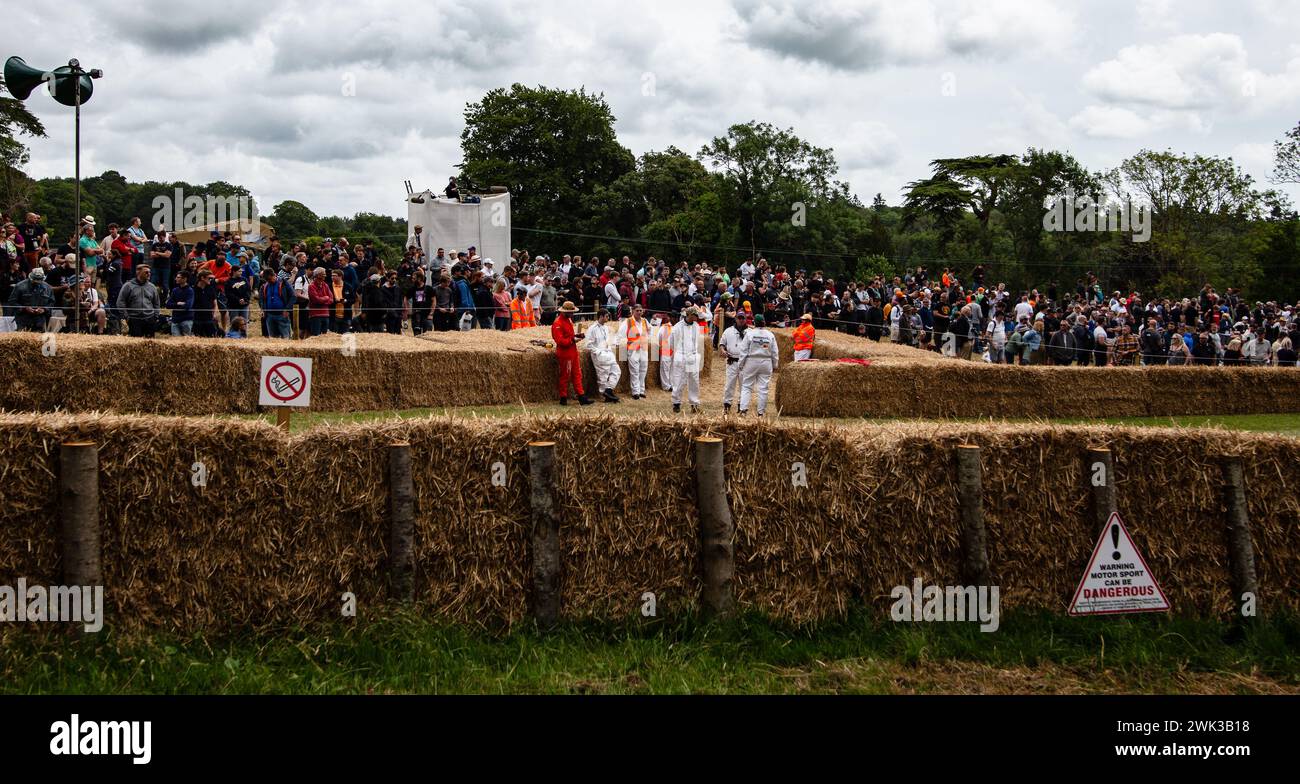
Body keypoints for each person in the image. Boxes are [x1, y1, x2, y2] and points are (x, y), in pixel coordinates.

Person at [737, 314, 778, 417]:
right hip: (766, 361)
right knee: (763, 388)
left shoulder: (750, 334)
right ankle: (761, 413)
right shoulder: (770, 335)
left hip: (752, 360)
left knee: (746, 386)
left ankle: (743, 410)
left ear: (754, 322)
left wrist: (740, 364)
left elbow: (743, 350)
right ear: (764, 322)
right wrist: (775, 364)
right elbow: (774, 351)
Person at [551, 301, 592, 405]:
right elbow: (560, 341)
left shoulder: (568, 320)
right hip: (565, 353)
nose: (573, 314)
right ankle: (563, 398)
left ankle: (581, 396)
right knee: (565, 375)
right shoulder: (557, 323)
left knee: (577, 374)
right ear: (565, 312)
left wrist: (577, 336)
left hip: (572, 351)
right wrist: (573, 340)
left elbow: (569, 336)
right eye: (571, 312)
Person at [669, 306, 703, 413]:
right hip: (681, 355)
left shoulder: (696, 326)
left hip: (692, 356)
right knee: (679, 380)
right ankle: (676, 403)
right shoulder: (677, 327)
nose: (697, 317)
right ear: (689, 315)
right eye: (695, 315)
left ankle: (694, 404)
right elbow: (671, 343)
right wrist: (679, 353)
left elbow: (697, 342)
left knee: (694, 381)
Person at [117, 263, 161, 337]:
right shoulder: (128, 286)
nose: (149, 274)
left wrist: (155, 316)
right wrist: (126, 316)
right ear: (138, 272)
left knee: (150, 344)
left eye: (150, 272)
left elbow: (156, 303)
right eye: (146, 272)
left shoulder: (152, 287)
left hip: (149, 319)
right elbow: (120, 302)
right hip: (134, 319)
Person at [617, 303, 651, 399]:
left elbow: (650, 330)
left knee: (643, 370)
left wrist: (648, 338)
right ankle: (635, 392)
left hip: (643, 349)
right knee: (634, 371)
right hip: (633, 350)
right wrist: (623, 345)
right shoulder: (628, 322)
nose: (639, 312)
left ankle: (641, 390)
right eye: (637, 310)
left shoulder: (645, 321)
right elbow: (620, 335)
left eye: (641, 310)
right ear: (633, 311)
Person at [587, 308, 621, 402]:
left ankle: (608, 390)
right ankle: (605, 395)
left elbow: (607, 341)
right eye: (606, 316)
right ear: (601, 316)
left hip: (608, 353)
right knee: (603, 375)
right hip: (599, 355)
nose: (608, 318)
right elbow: (589, 344)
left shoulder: (606, 328)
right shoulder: (592, 329)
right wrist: (599, 352)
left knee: (617, 371)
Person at [7, 268, 55, 332]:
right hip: (23, 320)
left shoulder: (48, 288)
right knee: (22, 339)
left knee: (39, 340)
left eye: (39, 280)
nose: (37, 282)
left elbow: (52, 302)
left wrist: (44, 309)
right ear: (30, 277)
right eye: (35, 280)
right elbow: (12, 301)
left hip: (40, 321)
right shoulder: (20, 286)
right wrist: (24, 308)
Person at [719, 311, 748, 413]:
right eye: (739, 318)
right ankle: (727, 406)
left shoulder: (749, 332)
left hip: (744, 363)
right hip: (731, 361)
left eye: (743, 318)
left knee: (744, 385)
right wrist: (723, 351)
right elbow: (722, 344)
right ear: (735, 319)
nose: (741, 320)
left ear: (745, 319)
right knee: (729, 384)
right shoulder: (728, 331)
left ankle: (742, 407)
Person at [260, 268, 293, 339]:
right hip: (269, 316)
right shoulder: (264, 286)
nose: (269, 281)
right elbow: (262, 299)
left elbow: (293, 296)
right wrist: (263, 309)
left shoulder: (284, 283)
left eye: (270, 279)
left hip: (282, 315)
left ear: (274, 275)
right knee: (273, 339)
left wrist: (287, 309)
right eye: (267, 280)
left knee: (286, 338)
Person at [307, 267, 333, 337]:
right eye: (323, 274)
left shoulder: (326, 285)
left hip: (326, 315)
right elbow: (316, 300)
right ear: (318, 275)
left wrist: (323, 300)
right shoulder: (311, 286)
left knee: (324, 337)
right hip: (315, 315)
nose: (325, 275)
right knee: (316, 337)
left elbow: (331, 299)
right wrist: (326, 298)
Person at [167, 271, 195, 336]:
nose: (176, 279)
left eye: (178, 277)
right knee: (176, 341)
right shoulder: (175, 290)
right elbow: (168, 305)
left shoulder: (190, 290)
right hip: (175, 320)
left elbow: (188, 306)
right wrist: (177, 304)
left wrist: (174, 305)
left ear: (185, 279)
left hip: (186, 319)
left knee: (186, 340)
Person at [655, 312, 674, 392]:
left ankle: (667, 385)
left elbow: (658, 339)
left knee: (666, 368)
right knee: (669, 368)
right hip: (672, 349)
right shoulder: (673, 328)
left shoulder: (664, 328)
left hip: (667, 349)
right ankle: (669, 385)